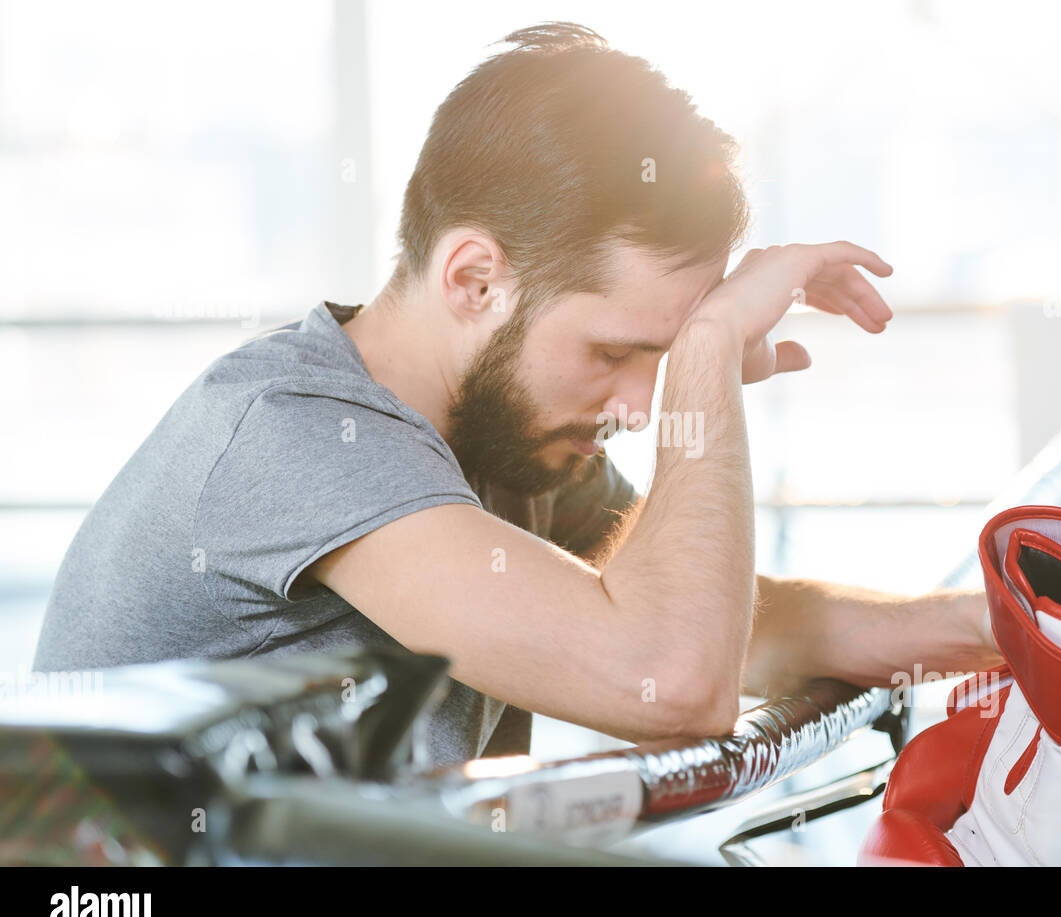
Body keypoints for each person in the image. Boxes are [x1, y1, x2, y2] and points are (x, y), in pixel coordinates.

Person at [34, 21, 1003, 766]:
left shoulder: (509, 442)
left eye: (657, 362)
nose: (634, 403)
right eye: (620, 350)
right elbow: (672, 679)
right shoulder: (297, 438)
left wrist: (991, 629)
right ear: (472, 281)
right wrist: (704, 357)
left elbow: (730, 623)